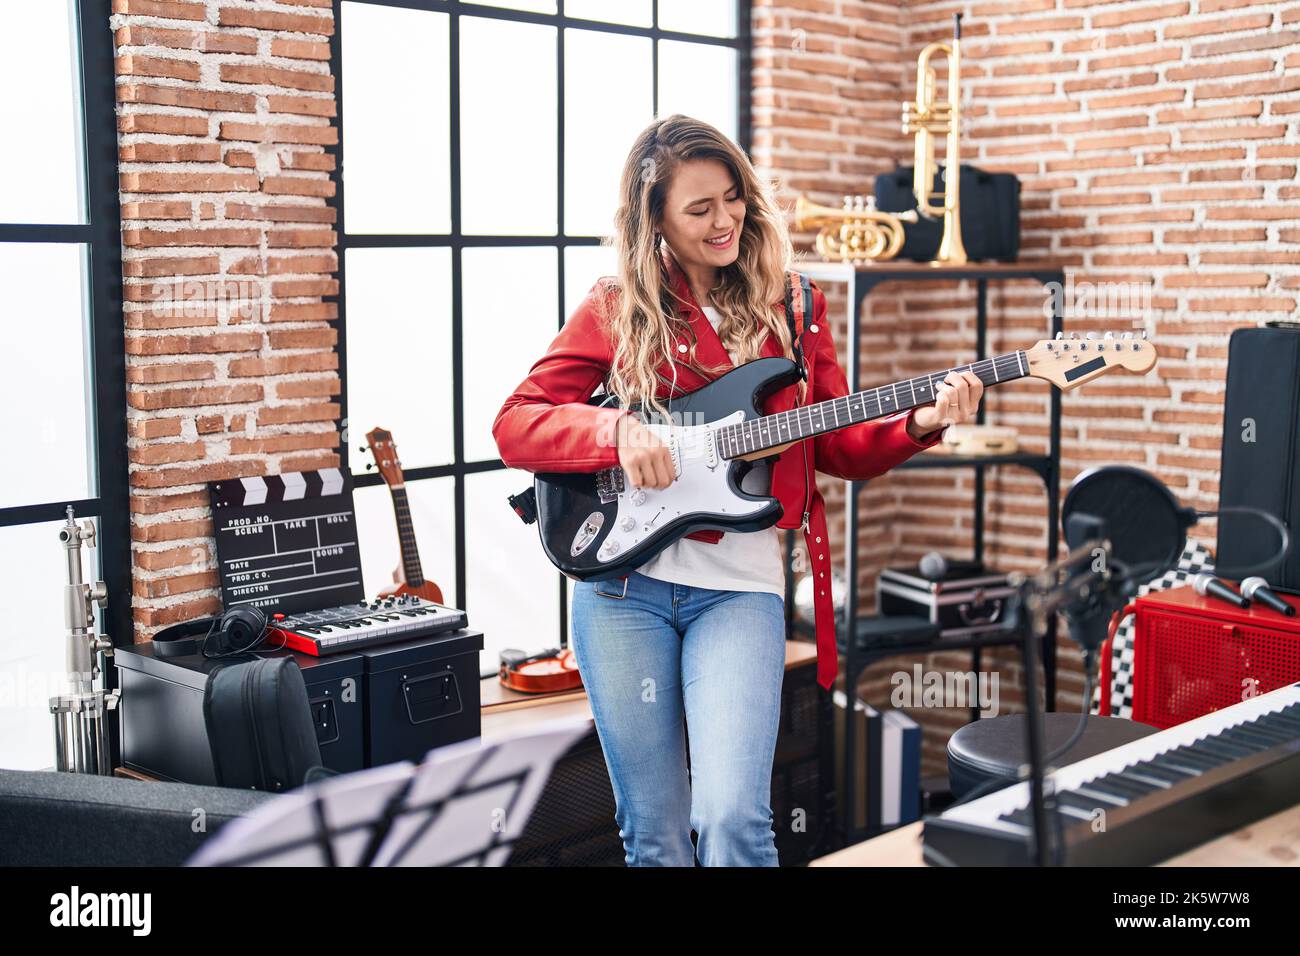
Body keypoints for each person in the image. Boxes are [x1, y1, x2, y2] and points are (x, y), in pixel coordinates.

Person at [492, 114, 983, 866]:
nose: (724, 220)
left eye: (732, 198)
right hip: (622, 590)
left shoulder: (795, 306)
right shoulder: (617, 306)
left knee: (731, 819)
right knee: (653, 831)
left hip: (740, 591)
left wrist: (920, 421)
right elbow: (516, 422)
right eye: (699, 209)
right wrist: (615, 434)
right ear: (653, 218)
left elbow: (839, 447)